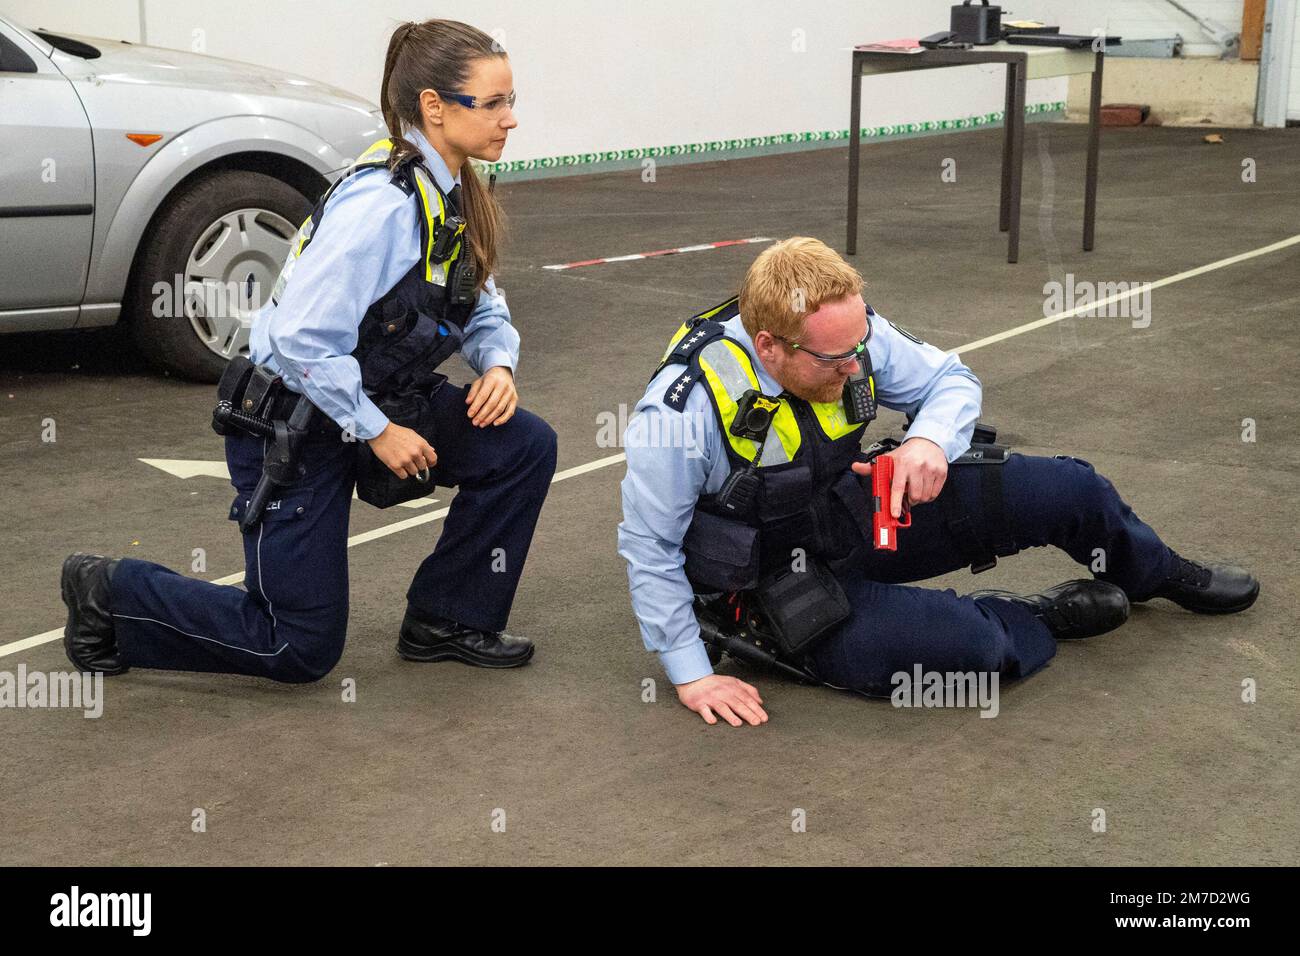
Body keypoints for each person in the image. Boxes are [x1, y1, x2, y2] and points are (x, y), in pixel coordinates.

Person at [61, 19, 557, 682]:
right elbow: (300, 339)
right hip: (293, 423)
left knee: (522, 444)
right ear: (434, 108)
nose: (510, 119)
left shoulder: (453, 193)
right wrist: (378, 432)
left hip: (374, 400)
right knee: (294, 646)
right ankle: (111, 596)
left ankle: (448, 617)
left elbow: (480, 298)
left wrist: (496, 361)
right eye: (493, 103)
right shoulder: (381, 205)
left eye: (509, 102)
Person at [617, 237, 1259, 726]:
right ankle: (1029, 616)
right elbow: (650, 548)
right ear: (769, 346)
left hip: (850, 508)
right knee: (975, 651)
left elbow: (950, 379)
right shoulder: (679, 414)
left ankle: (1155, 570)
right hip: (770, 584)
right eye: (836, 359)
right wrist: (691, 673)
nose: (854, 367)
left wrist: (927, 441)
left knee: (1071, 490)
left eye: (860, 345)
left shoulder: (847, 333)